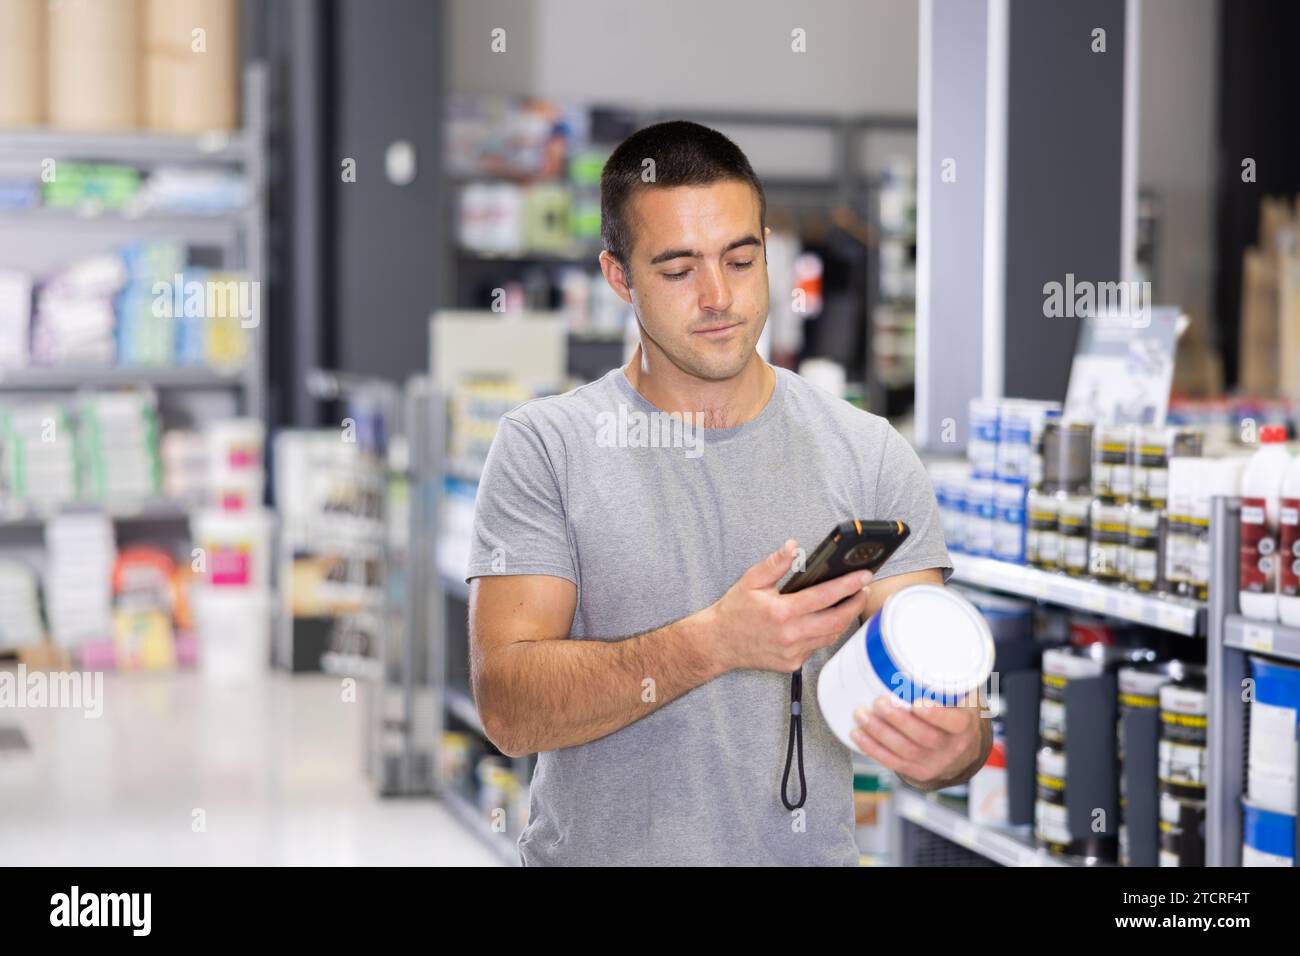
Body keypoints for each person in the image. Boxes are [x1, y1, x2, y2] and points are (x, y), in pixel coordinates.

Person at [466, 120, 989, 866]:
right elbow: (509, 709)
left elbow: (940, 700)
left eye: (741, 260)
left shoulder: (867, 452)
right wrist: (714, 643)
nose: (718, 296)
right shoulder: (547, 448)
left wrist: (956, 745)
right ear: (619, 277)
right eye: (678, 270)